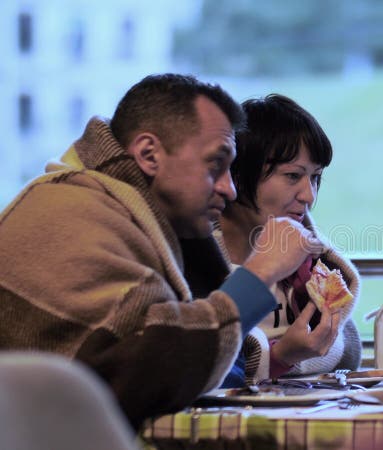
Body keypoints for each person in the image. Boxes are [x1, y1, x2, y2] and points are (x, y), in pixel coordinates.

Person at [0, 74, 326, 429]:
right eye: (215, 165)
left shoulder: (129, 217)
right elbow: (152, 374)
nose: (229, 189)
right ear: (148, 154)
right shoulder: (69, 215)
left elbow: (206, 367)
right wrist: (260, 273)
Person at [218, 93, 361, 383]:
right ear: (239, 174)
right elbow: (200, 362)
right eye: (293, 176)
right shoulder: (195, 262)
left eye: (315, 178)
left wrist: (292, 358)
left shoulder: (306, 260)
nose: (308, 195)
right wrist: (281, 357)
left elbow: (349, 349)